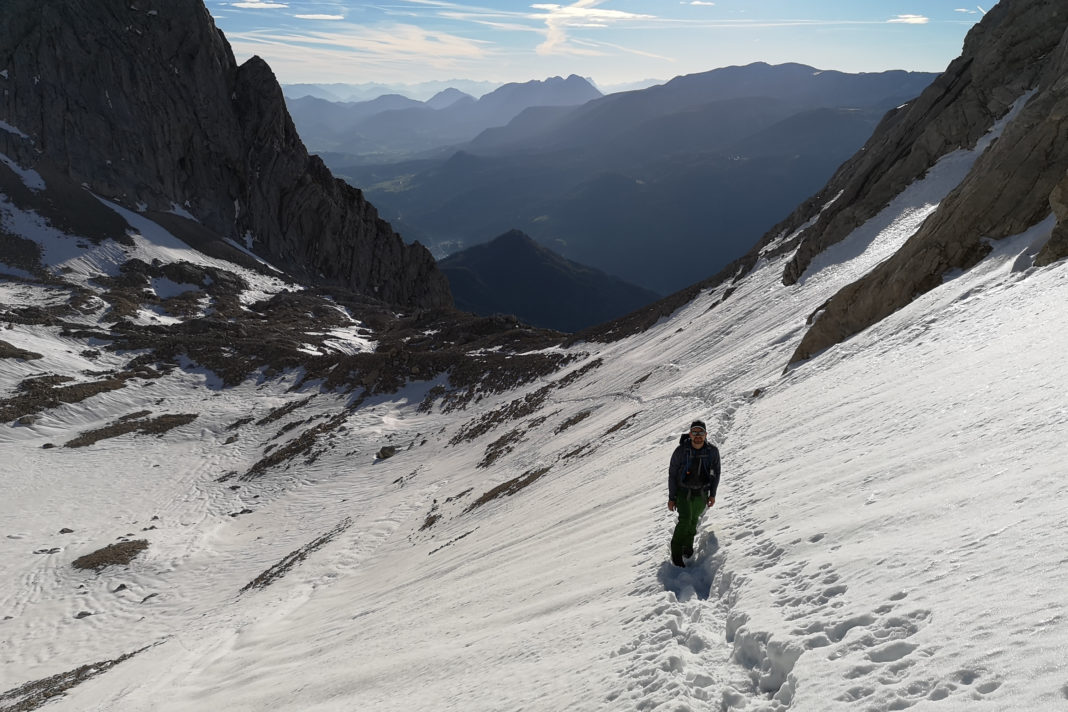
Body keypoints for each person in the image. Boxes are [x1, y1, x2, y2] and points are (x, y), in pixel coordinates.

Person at [667, 419, 720, 567]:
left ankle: (687, 547)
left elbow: (716, 473)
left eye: (701, 432)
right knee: (685, 520)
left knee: (693, 521)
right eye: (695, 432)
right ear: (690, 434)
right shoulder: (681, 451)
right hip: (683, 492)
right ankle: (676, 553)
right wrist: (672, 498)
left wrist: (713, 494)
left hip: (702, 494)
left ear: (706, 434)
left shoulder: (712, 452)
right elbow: (672, 474)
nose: (698, 435)